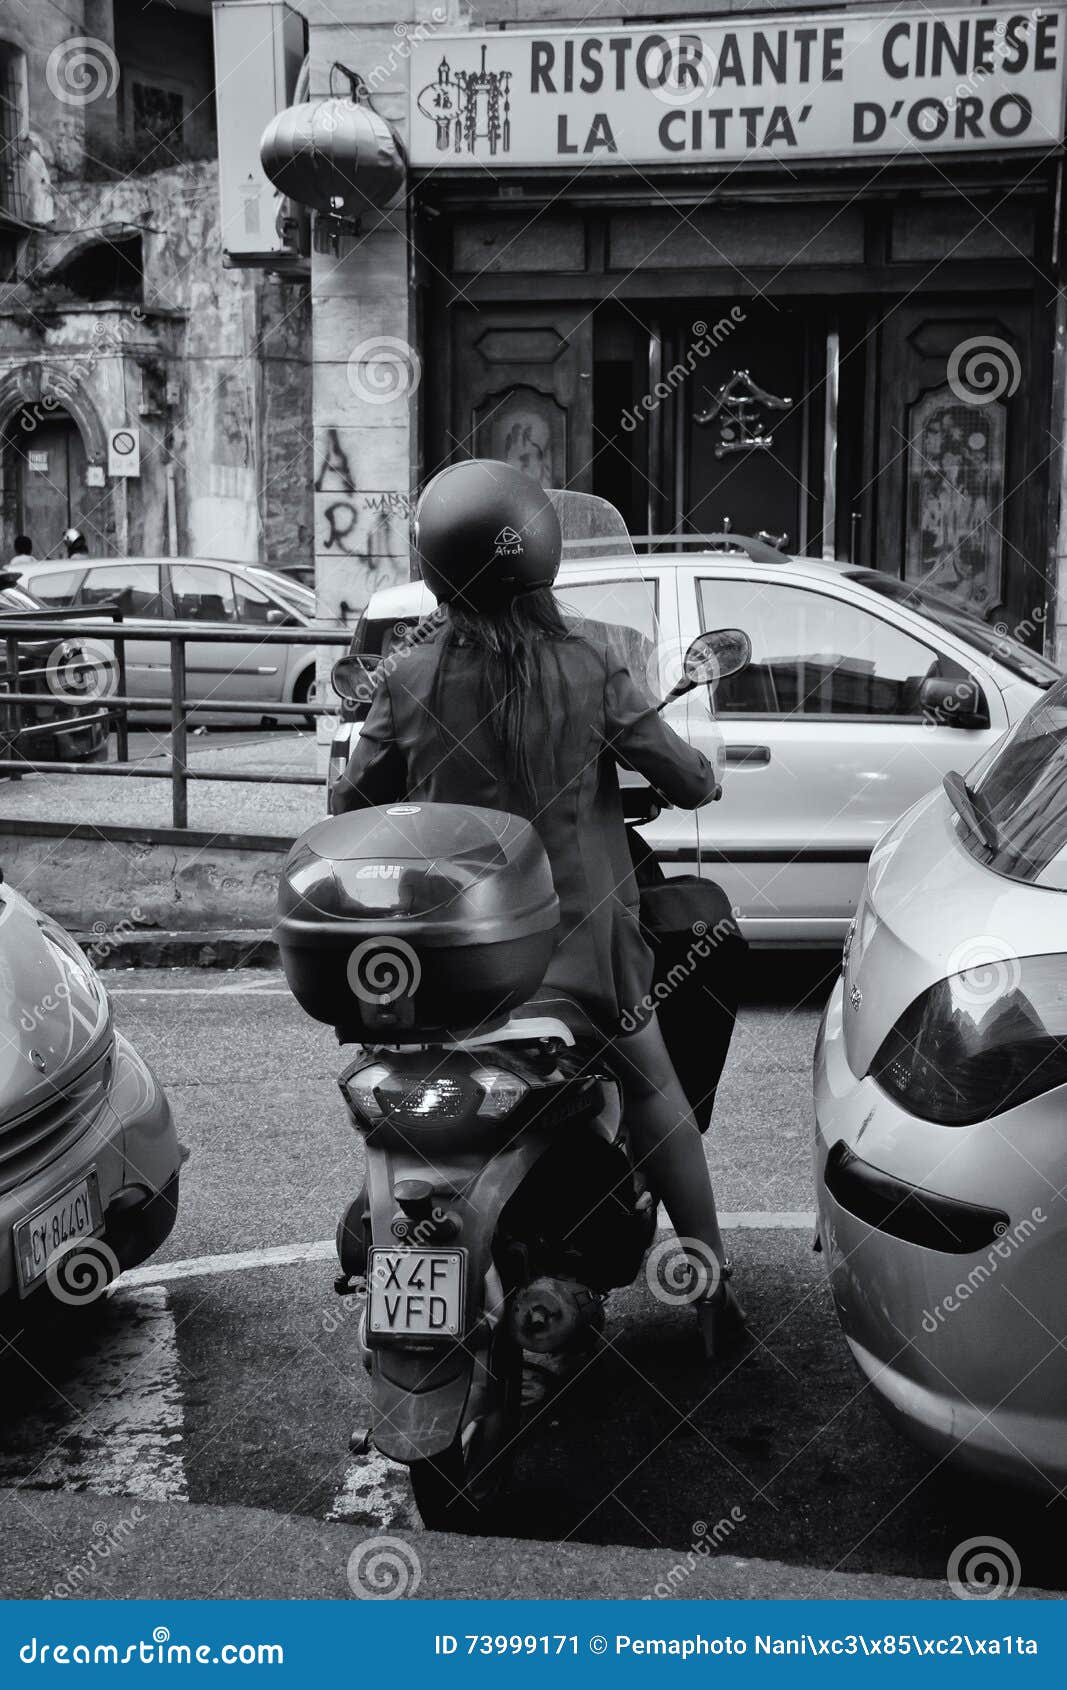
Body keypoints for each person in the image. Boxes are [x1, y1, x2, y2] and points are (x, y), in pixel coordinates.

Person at [331, 458, 745, 1359]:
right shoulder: (591, 660)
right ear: (542, 554)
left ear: (436, 565)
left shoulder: (410, 675)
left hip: (448, 959)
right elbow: (687, 775)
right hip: (581, 957)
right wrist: (689, 779)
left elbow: (351, 806)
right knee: (654, 1094)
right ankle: (709, 1292)